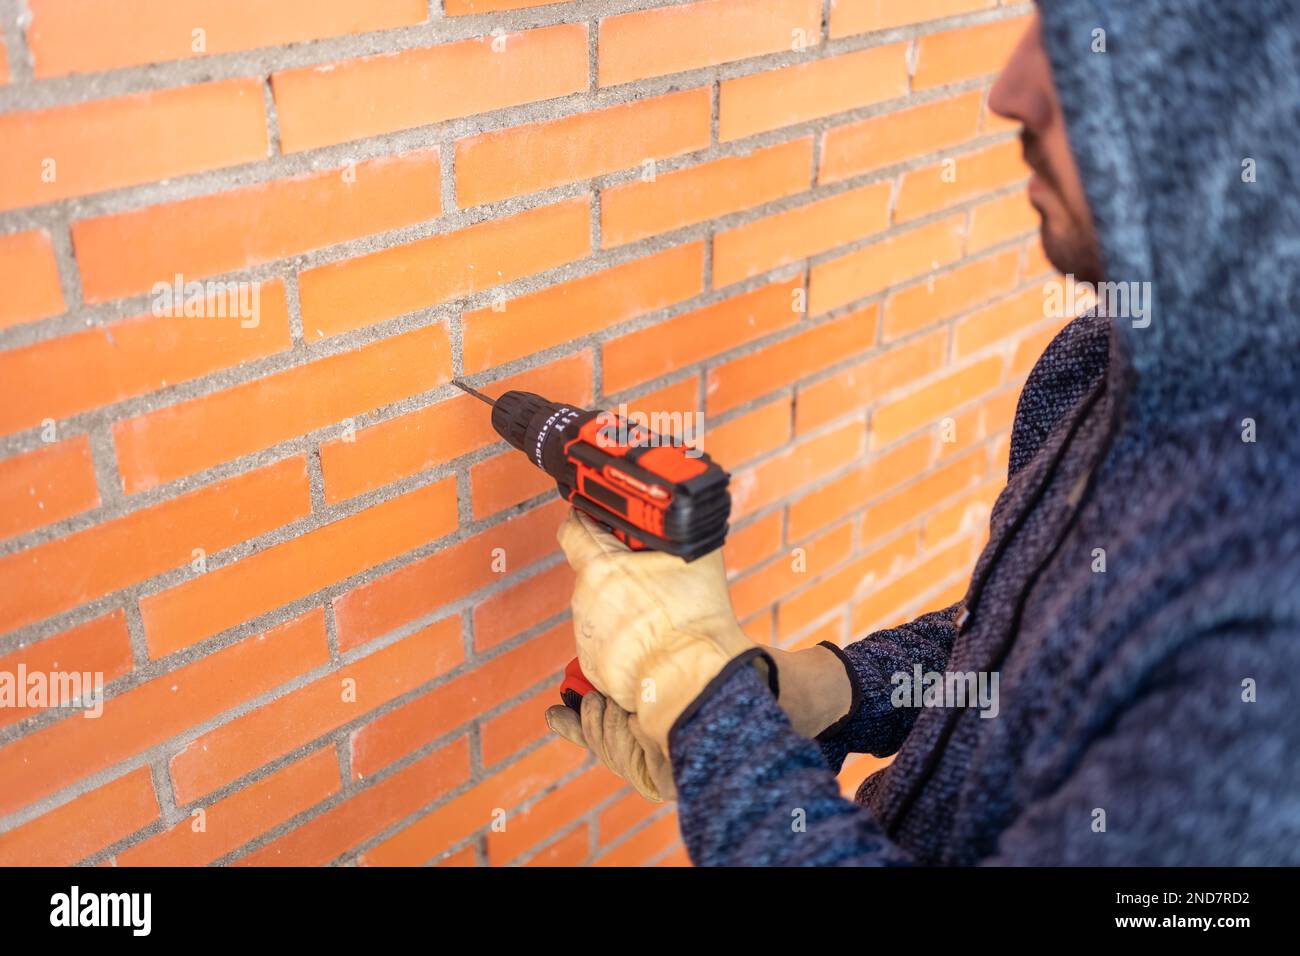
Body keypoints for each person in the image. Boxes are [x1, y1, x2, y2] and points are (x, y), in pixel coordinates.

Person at [546, 0, 1300, 865]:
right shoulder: (1106, 363)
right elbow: (1032, 662)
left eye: (1098, 43)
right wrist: (810, 697)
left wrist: (700, 692)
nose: (1010, 90)